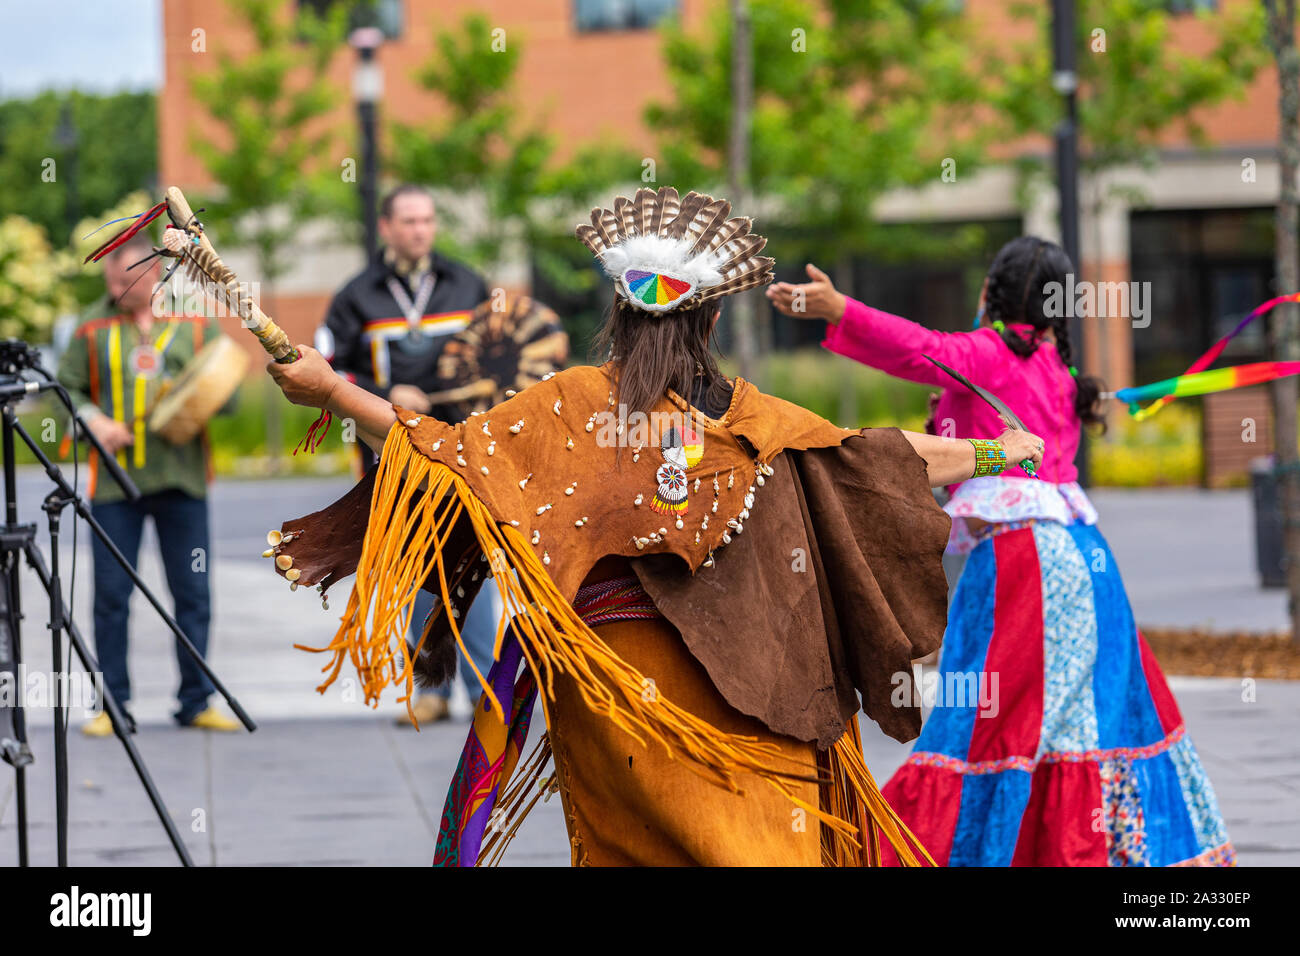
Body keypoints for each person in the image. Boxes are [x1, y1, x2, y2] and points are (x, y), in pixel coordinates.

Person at [263, 187, 1043, 867]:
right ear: (709, 317)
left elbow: (445, 451)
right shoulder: (759, 421)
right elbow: (879, 457)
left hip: (609, 686)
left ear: (618, 310)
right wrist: (996, 451)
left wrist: (331, 388)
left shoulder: (569, 404)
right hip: (752, 682)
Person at [766, 237, 1235, 867]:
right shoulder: (1057, 367)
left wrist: (838, 309)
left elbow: (920, 347)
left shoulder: (986, 353)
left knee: (987, 724)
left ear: (993, 292)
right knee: (1082, 723)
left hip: (1023, 564)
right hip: (1086, 562)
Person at [317, 183, 496, 725]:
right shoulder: (355, 297)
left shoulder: (467, 284)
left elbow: (498, 355)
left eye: (427, 221)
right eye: (409, 221)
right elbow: (329, 372)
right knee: (418, 565)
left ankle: (486, 691)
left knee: (473, 563)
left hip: (465, 453)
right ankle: (431, 690)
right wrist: (382, 391)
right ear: (387, 227)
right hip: (391, 453)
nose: (420, 230)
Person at [57, 232, 238, 735]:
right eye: (111, 278)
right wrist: (92, 420)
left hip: (182, 481)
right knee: (111, 597)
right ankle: (112, 703)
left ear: (154, 273)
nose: (116, 285)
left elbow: (230, 392)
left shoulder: (195, 324)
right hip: (116, 485)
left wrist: (202, 396)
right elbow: (63, 390)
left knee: (193, 594)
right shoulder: (89, 328)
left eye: (125, 276)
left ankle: (196, 701)